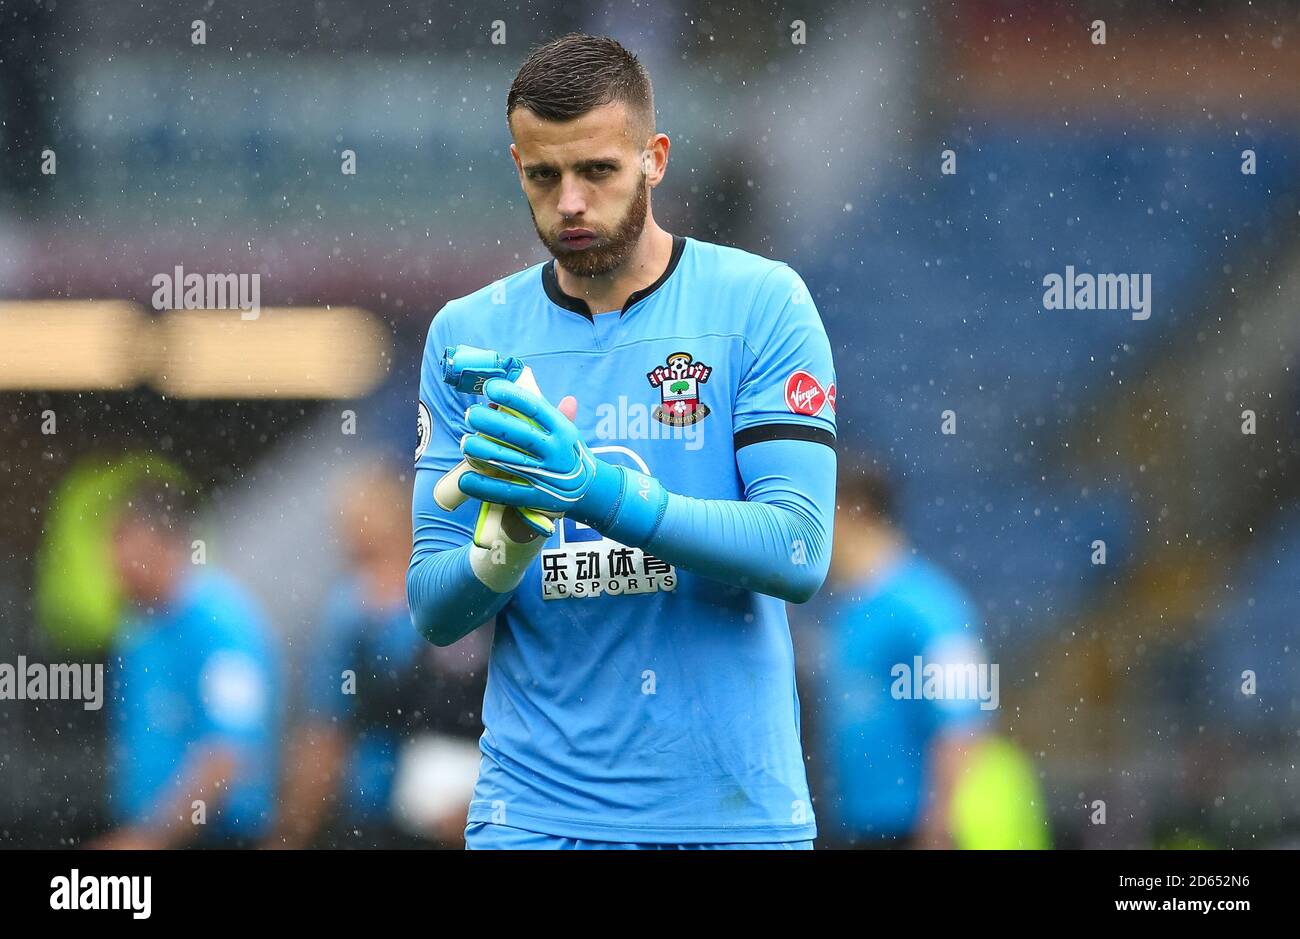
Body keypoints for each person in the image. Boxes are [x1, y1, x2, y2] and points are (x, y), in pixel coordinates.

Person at [407, 33, 838, 849]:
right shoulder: (468, 334)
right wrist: (499, 555)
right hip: (531, 817)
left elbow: (798, 548)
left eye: (597, 170)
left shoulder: (761, 305)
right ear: (518, 166)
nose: (569, 201)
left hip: (731, 814)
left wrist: (592, 491)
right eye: (544, 175)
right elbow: (433, 605)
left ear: (656, 159)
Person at [268, 462, 486, 849]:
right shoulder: (357, 610)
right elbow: (325, 733)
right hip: (387, 812)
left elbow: (325, 736)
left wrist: (290, 833)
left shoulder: (453, 598)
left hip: (431, 812)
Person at [805, 459, 991, 848]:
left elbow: (962, 723)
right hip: (854, 826)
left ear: (854, 511)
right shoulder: (847, 609)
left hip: (907, 830)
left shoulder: (931, 608)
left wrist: (938, 826)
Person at [94, 481, 280, 849]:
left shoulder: (222, 624)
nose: (110, 560)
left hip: (217, 840)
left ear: (161, 543)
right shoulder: (135, 628)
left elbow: (229, 754)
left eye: (121, 541)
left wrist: (152, 837)